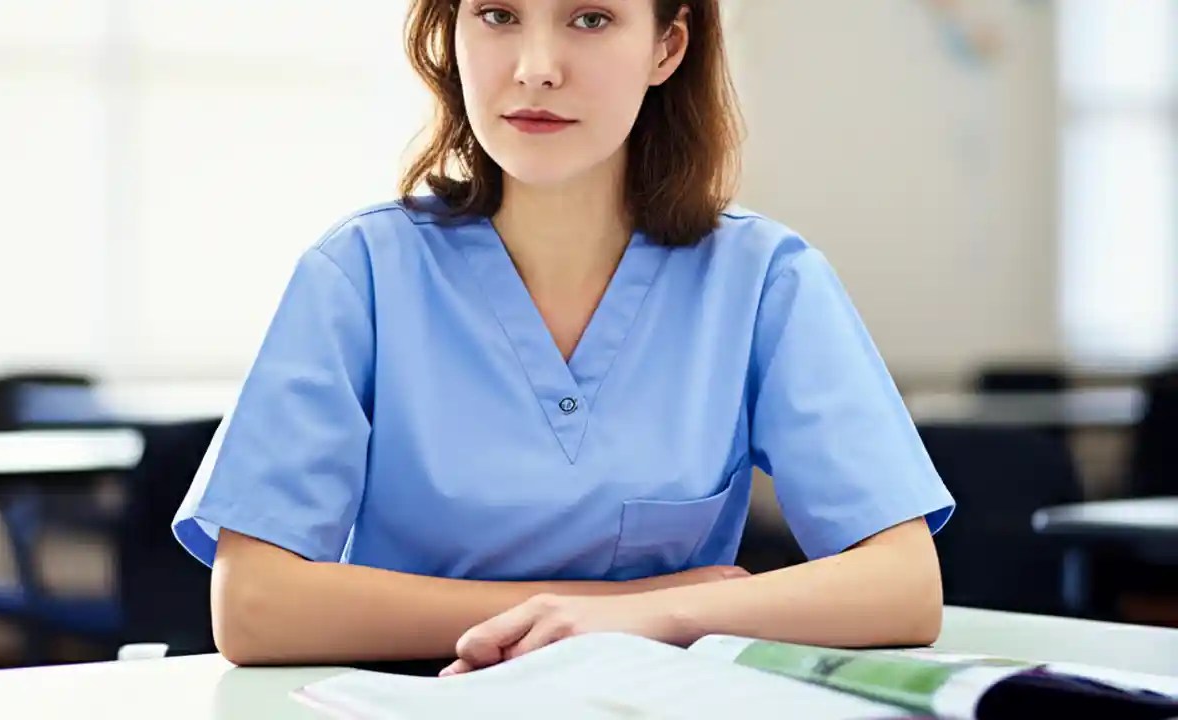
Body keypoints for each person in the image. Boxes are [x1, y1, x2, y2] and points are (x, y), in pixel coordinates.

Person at [172, 0, 955, 674]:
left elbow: (904, 585)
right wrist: (604, 608)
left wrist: (655, 619)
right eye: (498, 15)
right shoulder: (359, 274)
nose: (537, 66)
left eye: (590, 18)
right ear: (453, 31)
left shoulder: (764, 281)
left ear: (667, 47)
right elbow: (253, 605)